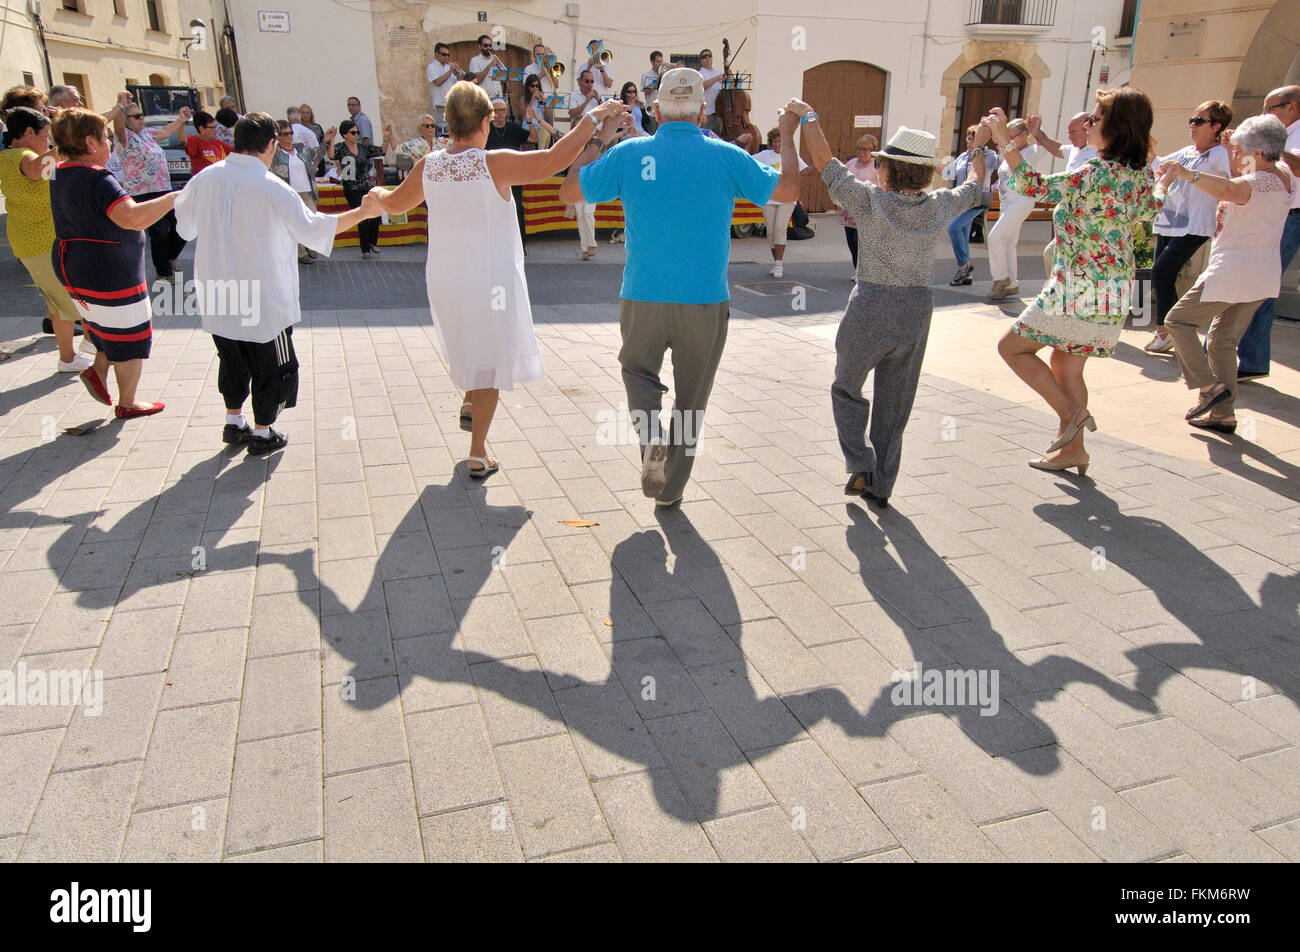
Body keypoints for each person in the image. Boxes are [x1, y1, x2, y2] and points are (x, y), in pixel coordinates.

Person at [558, 69, 800, 508]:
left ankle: (651, 435)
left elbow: (570, 189)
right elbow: (788, 189)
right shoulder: (725, 156)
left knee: (637, 372)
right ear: (702, 111)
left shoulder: (631, 153)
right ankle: (668, 492)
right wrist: (787, 133)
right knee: (692, 400)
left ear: (655, 109)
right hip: (705, 298)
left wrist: (598, 131)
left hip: (643, 294)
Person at [367, 82, 627, 477]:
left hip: (445, 279)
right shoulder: (493, 163)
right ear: (486, 121)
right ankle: (477, 452)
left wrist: (377, 196)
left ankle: (471, 403)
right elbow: (554, 158)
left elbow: (397, 203)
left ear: (448, 122)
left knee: (467, 346)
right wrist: (593, 116)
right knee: (488, 362)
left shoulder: (429, 165)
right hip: (490, 282)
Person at [798, 112, 990, 507]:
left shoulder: (869, 201)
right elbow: (976, 185)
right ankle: (882, 486)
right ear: (923, 174)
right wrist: (982, 145)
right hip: (916, 309)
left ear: (886, 169)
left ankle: (860, 461)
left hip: (871, 304)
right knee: (895, 403)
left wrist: (809, 116)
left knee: (846, 386)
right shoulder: (939, 205)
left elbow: (825, 163)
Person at [174, 112, 382, 455]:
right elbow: (315, 231)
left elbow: (185, 229)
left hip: (217, 290)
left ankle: (233, 420)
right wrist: (362, 212)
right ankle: (262, 430)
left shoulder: (204, 179)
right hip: (264, 295)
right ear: (271, 144)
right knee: (272, 364)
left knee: (231, 358)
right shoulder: (273, 187)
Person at [990, 90, 1164, 476]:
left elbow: (1034, 186)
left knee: (1012, 348)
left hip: (1080, 284)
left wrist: (1004, 139)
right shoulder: (1139, 174)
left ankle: (1073, 417)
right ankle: (1074, 451)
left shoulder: (1095, 173)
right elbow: (1154, 206)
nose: (1089, 124)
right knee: (1067, 367)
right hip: (1112, 286)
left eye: (1096, 118)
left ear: (1116, 128)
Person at [1163, 115, 1293, 434]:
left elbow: (1228, 187)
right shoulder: (1282, 176)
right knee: (1222, 341)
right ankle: (1223, 414)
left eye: (1239, 150)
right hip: (1261, 275)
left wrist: (1186, 173)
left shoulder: (1252, 183)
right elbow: (1243, 183)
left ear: (1259, 152)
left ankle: (1209, 388)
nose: (1233, 154)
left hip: (1233, 271)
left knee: (1177, 321)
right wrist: (1234, 148)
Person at [49, 108, 178, 417]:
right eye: (106, 137)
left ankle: (98, 370)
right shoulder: (97, 177)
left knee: (106, 325)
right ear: (90, 142)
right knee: (132, 334)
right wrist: (175, 197)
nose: (110, 143)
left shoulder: (58, 170)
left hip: (74, 264)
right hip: (107, 268)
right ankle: (128, 402)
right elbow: (132, 217)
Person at [0, 107, 91, 371]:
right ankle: (86, 347)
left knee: (57, 302)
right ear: (29, 133)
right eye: (46, 136)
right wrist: (67, 138)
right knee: (71, 300)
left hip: (31, 240)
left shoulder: (10, 156)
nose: (48, 142)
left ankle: (68, 358)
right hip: (41, 241)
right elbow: (35, 169)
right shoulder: (23, 155)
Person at [1144, 100, 1233, 354]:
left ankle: (1167, 331)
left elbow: (1234, 180)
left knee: (1161, 272)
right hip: (1169, 223)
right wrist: (1138, 133)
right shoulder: (1187, 152)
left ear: (1217, 126)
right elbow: (1157, 163)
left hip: (1196, 225)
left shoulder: (1220, 154)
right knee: (1161, 274)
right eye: (1192, 120)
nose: (1192, 125)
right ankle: (1170, 331)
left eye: (1199, 121)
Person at [1238, 85, 1300, 381]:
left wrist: (1272, 146)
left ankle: (1249, 358)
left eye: (1270, 107)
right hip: (1277, 214)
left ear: (1293, 106)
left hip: (1294, 216)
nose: (1265, 113)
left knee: (1261, 284)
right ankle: (1251, 359)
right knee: (1262, 283)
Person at [110, 97, 192, 279]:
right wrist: (120, 105)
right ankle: (163, 272)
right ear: (126, 119)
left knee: (182, 221)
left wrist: (180, 120)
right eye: (136, 116)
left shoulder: (147, 133)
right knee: (160, 231)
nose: (141, 118)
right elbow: (117, 127)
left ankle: (169, 257)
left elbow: (164, 132)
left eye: (141, 115)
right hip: (143, 192)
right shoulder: (123, 137)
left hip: (163, 187)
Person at [987, 116, 1048, 300]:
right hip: (1008, 203)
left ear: (1024, 134)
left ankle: (1001, 279)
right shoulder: (1008, 153)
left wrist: (1037, 130)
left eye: (1014, 136)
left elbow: (1045, 147)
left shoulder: (1031, 152)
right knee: (1008, 244)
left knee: (995, 237)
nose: (1011, 140)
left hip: (1021, 201)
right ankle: (1011, 284)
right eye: (1009, 136)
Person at [271, 120, 335, 261]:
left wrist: (326, 141)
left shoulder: (302, 149)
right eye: (285, 134)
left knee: (312, 220)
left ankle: (310, 246)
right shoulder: (275, 154)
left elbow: (318, 155)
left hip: (306, 191)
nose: (289, 136)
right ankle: (301, 253)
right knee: (296, 223)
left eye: (290, 133)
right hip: (289, 193)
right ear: (278, 137)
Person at [942, 126, 996, 285]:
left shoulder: (990, 155)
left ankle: (964, 266)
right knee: (963, 234)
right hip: (963, 198)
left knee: (954, 227)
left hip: (978, 198)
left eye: (972, 138)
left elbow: (1004, 165)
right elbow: (948, 173)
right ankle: (965, 273)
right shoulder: (963, 156)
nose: (968, 141)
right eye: (968, 138)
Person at [752, 126, 808, 277]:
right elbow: (748, 162)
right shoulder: (764, 155)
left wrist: (821, 163)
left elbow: (805, 171)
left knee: (780, 228)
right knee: (770, 232)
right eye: (775, 141)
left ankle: (779, 264)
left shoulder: (792, 156)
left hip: (787, 198)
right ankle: (776, 261)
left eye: (780, 142)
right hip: (769, 197)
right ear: (771, 142)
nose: (777, 144)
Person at [486, 97, 536, 248]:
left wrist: (529, 121)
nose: (500, 114)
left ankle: (520, 244)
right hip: (493, 177)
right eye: (496, 111)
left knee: (517, 209)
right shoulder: (486, 129)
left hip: (513, 175)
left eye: (502, 110)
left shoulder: (513, 128)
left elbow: (534, 138)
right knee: (493, 210)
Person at [333, 118, 384, 258]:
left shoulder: (363, 147)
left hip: (366, 184)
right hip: (351, 187)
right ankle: (365, 249)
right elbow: (331, 155)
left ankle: (372, 242)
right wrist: (330, 140)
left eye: (357, 132)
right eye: (353, 132)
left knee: (376, 211)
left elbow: (381, 151)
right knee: (361, 215)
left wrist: (387, 137)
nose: (356, 135)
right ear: (345, 134)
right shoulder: (340, 148)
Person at [567, 70, 602, 259]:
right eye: (586, 81)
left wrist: (597, 100)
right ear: (580, 81)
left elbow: (606, 121)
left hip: (591, 179)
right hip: (578, 180)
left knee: (588, 213)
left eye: (592, 81)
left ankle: (592, 243)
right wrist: (587, 100)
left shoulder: (593, 143)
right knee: (581, 214)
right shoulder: (574, 95)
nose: (589, 84)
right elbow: (573, 113)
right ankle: (584, 248)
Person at [838, 135, 880, 275]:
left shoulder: (876, 166)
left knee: (862, 243)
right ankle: (858, 271)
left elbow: (882, 187)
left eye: (866, 150)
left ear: (872, 151)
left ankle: (865, 273)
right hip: (850, 209)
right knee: (852, 242)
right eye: (860, 149)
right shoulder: (851, 163)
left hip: (867, 209)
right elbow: (840, 178)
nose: (862, 152)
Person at [427, 41, 464, 130]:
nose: (446, 57)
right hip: (440, 105)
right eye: (443, 55)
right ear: (436, 54)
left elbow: (458, 83)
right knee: (441, 131)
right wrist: (450, 71)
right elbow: (438, 82)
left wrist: (458, 75)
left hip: (452, 104)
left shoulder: (449, 67)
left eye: (448, 55)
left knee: (454, 130)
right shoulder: (431, 67)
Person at [185, 110, 233, 175]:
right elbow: (182, 140)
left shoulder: (219, 143)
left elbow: (238, 152)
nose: (215, 130)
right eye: (212, 127)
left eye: (215, 126)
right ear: (201, 129)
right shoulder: (194, 141)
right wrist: (181, 122)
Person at [468, 36, 507, 103]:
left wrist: (499, 68)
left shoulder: (494, 59)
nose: (488, 48)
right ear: (480, 46)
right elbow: (477, 79)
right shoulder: (475, 60)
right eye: (485, 45)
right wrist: (490, 65)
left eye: (490, 45)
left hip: (498, 97)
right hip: (484, 98)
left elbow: (504, 79)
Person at [698, 49, 725, 135]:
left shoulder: (718, 72)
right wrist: (717, 78)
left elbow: (729, 83)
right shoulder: (700, 73)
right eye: (704, 57)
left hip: (719, 110)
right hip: (707, 112)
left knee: (718, 136)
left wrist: (727, 68)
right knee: (706, 135)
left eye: (709, 56)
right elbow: (703, 86)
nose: (708, 58)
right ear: (701, 60)